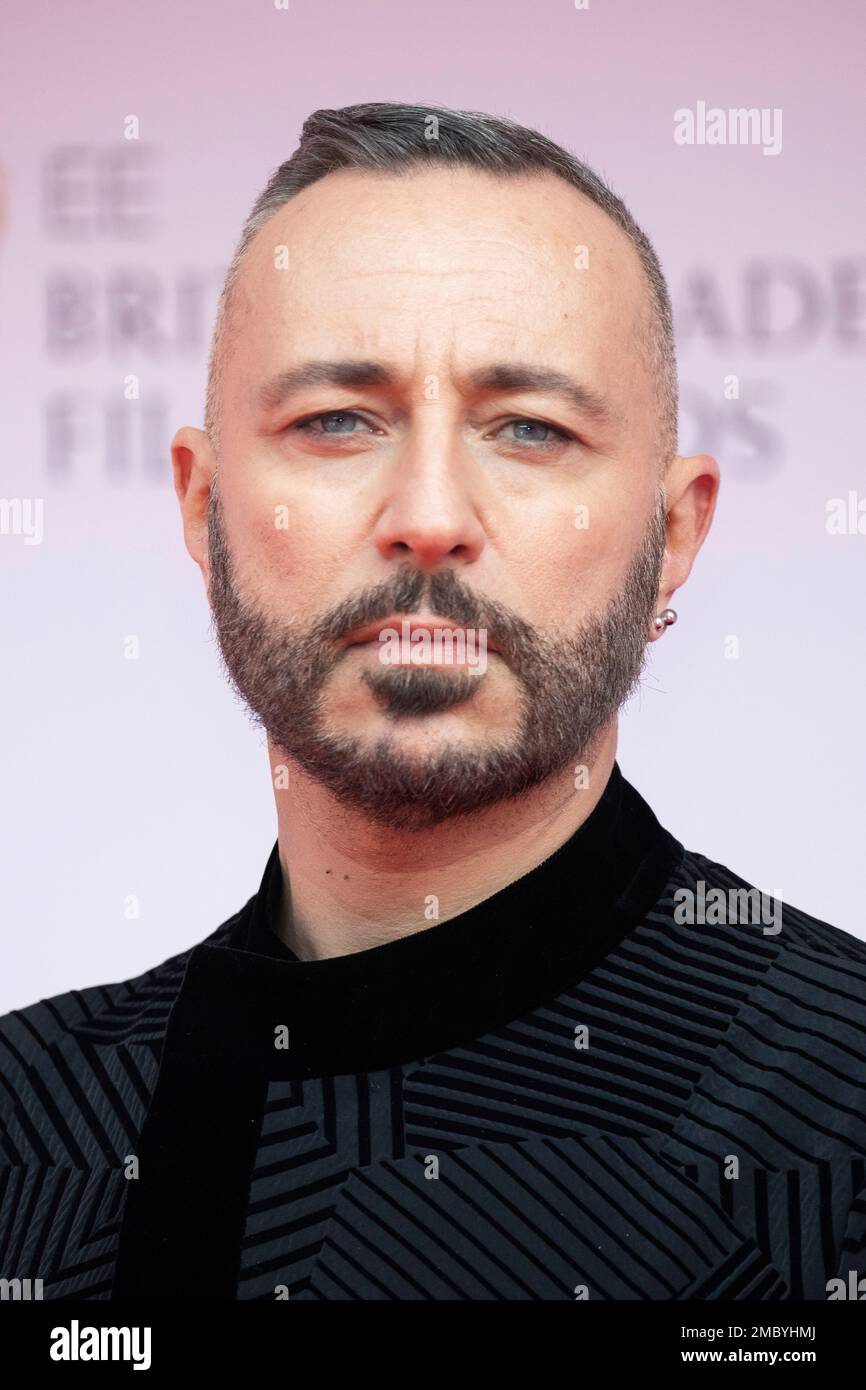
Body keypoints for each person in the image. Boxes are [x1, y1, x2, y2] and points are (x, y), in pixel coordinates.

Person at [2, 102, 864, 1302]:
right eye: (336, 421)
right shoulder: (24, 1121)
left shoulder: (840, 1116)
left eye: (529, 429)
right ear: (202, 509)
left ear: (672, 536)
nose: (429, 514)